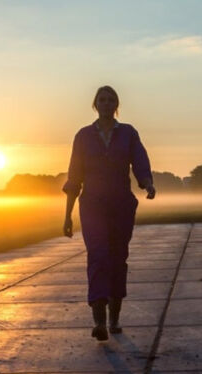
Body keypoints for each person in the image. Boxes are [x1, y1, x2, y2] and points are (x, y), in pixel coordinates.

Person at [62, 85, 156, 341]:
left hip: (121, 205)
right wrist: (67, 215)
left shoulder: (128, 133)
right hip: (92, 206)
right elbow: (74, 177)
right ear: (95, 104)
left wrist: (147, 183)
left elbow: (140, 161)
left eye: (110, 99)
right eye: (101, 99)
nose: (106, 103)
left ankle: (114, 319)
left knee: (117, 259)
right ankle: (99, 323)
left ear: (116, 105)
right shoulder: (83, 136)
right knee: (97, 256)